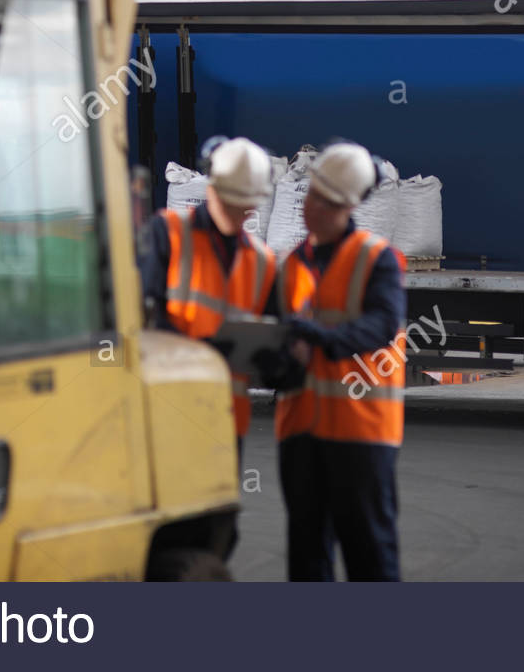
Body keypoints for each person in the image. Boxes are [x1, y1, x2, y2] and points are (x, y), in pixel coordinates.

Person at [272, 142, 407, 582]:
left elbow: (380, 327)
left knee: (369, 554)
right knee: (306, 557)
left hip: (359, 433)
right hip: (300, 432)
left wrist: (318, 337)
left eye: (321, 199)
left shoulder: (376, 259)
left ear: (346, 206)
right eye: (311, 193)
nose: (309, 206)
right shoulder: (293, 263)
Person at [138, 136, 277, 450]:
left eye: (246, 205)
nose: (239, 212)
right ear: (211, 188)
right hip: (168, 409)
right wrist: (210, 348)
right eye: (231, 200)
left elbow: (271, 339)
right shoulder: (169, 233)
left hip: (226, 421)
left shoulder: (261, 260)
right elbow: (143, 316)